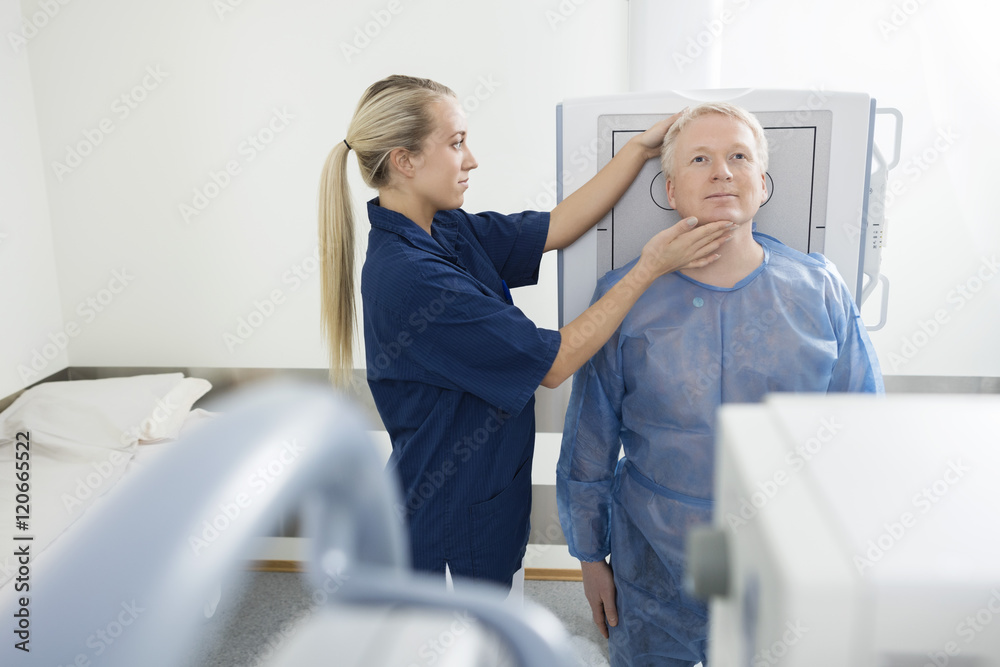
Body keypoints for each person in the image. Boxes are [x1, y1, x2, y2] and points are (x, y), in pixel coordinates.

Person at [317, 75, 734, 593]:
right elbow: (555, 363)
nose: (471, 159)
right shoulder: (411, 278)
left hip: (484, 498)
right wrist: (650, 267)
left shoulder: (445, 228)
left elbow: (558, 226)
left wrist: (635, 150)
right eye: (456, 143)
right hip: (446, 526)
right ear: (405, 160)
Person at [557, 102, 884, 665]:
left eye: (739, 156)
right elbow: (590, 439)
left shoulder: (818, 291)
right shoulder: (625, 299)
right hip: (656, 555)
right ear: (670, 189)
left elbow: (860, 430)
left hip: (785, 553)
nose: (722, 172)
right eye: (700, 159)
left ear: (763, 183)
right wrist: (590, 559)